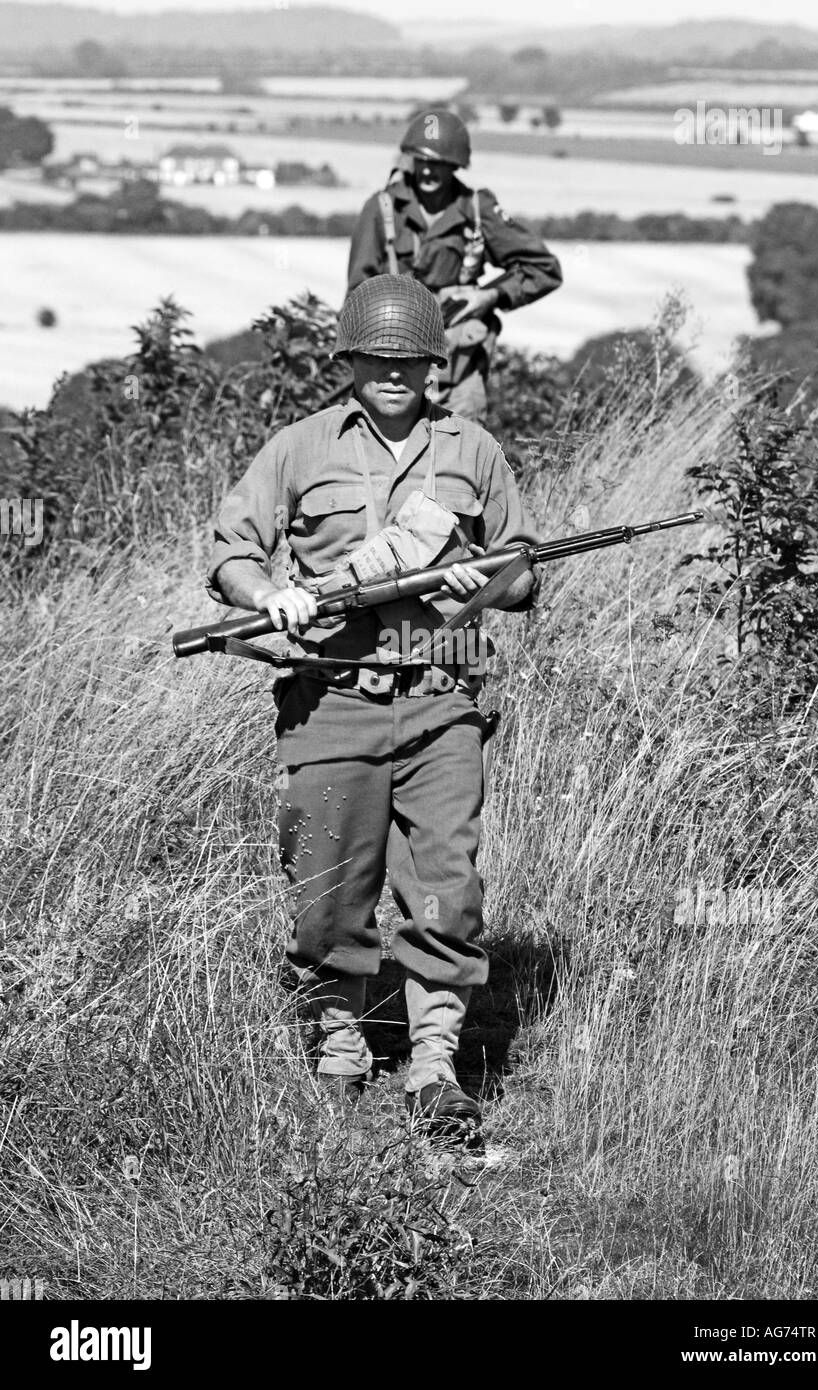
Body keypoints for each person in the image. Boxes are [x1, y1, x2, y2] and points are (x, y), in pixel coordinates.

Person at [205, 274, 538, 1142]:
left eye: (411, 361)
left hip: (441, 699)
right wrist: (270, 593)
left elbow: (524, 571)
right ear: (349, 359)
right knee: (326, 892)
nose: (394, 373)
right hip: (331, 701)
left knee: (446, 890)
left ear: (437, 365)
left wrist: (477, 576)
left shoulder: (474, 450)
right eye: (377, 358)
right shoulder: (301, 447)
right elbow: (232, 551)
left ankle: (436, 1069)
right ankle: (340, 1045)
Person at [347, 107, 562, 422]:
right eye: (422, 161)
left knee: (462, 459)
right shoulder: (382, 209)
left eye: (439, 164)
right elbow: (356, 295)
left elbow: (543, 269)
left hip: (459, 375)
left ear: (456, 166)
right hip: (391, 372)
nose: (428, 172)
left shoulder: (477, 209)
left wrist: (489, 296)